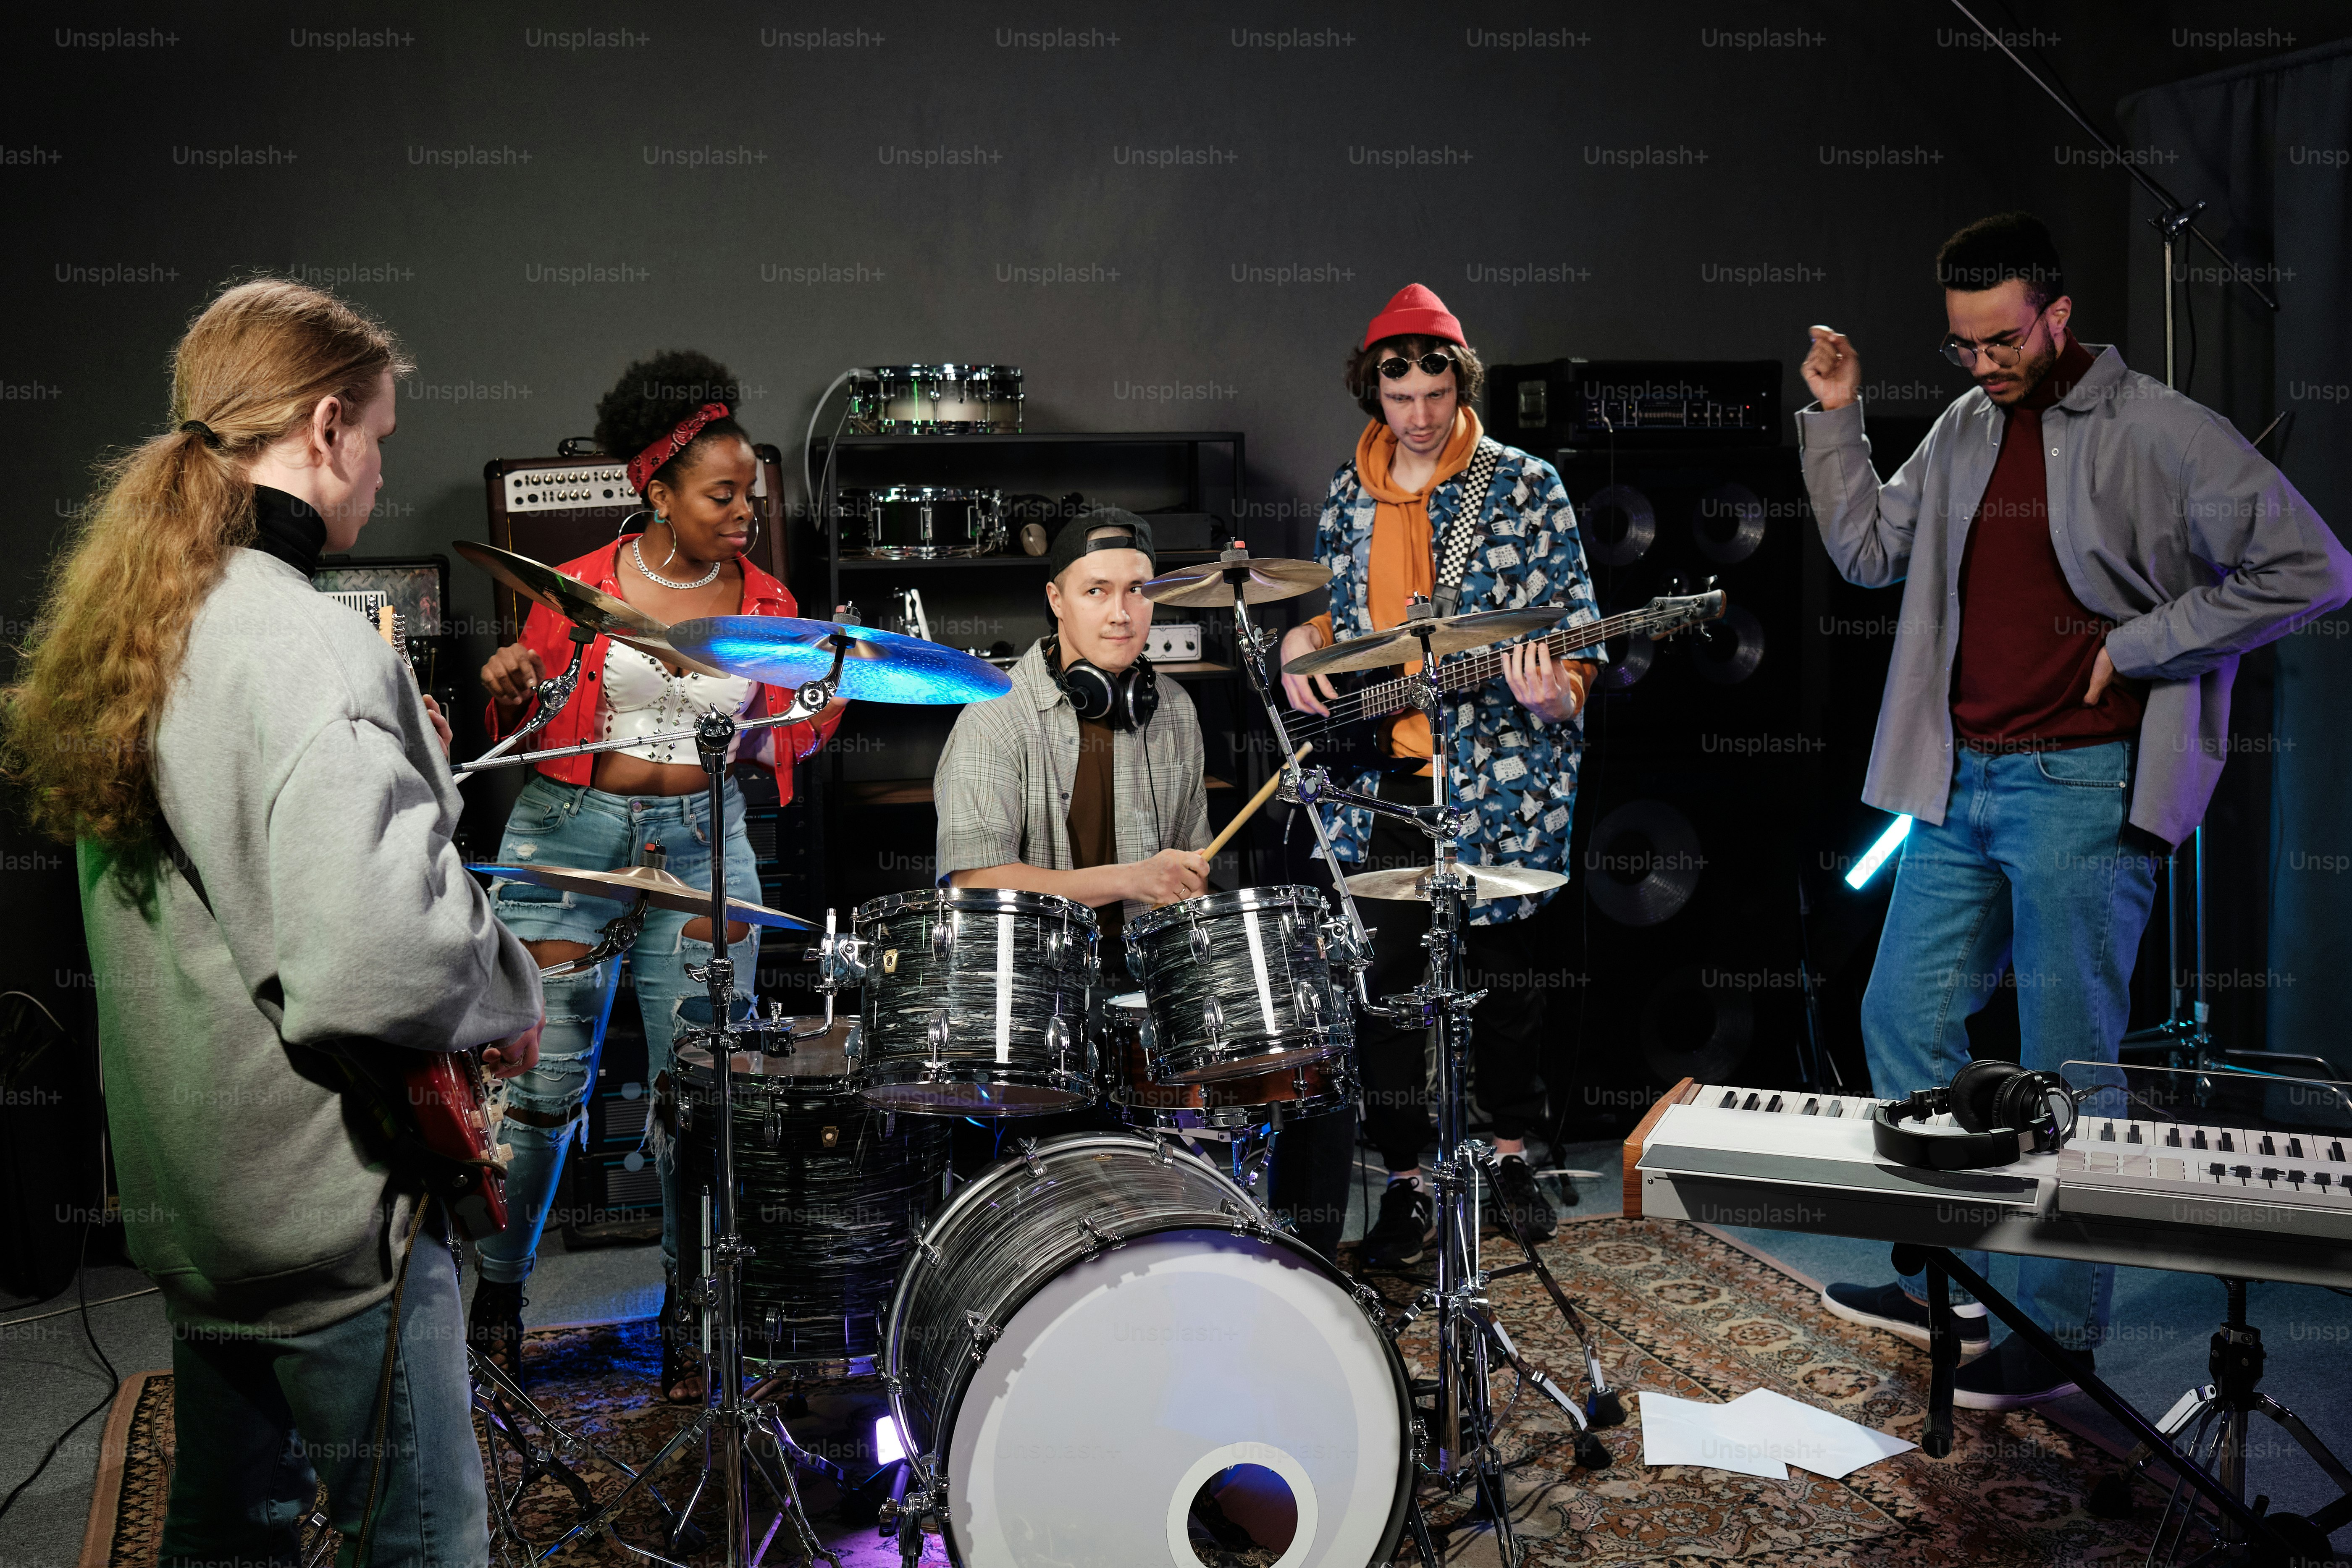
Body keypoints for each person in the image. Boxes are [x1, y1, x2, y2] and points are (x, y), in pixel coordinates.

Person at [3, 279, 545, 1568]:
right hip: (326, 1214)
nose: (375, 475)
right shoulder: (307, 643)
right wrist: (508, 993)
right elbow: (376, 963)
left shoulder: (148, 620)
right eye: (380, 440)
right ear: (324, 425)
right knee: (420, 1539)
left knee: (230, 1529)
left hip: (200, 1197)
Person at [1800, 212, 2351, 1408]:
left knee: (2066, 1069)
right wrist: (1838, 416)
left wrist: (2151, 640)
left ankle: (2058, 1333)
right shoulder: (1960, 427)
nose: (1985, 364)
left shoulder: (2161, 429)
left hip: (2082, 788)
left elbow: (2314, 565)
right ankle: (1958, 1277)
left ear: (2057, 314)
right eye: (1962, 345)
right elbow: (1864, 549)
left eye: (2003, 340)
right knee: (1902, 1019)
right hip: (1959, 785)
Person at [472, 351, 843, 1403]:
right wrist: (509, 686)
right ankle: (499, 1298)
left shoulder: (770, 603)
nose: (743, 516)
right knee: (539, 1089)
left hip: (703, 838)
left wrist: (818, 700)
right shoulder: (576, 589)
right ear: (660, 492)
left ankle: (690, 1314)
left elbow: (797, 736)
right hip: (570, 836)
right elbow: (533, 718)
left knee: (699, 1096)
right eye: (722, 497)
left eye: (751, 498)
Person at [1280, 283, 1604, 1264]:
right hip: (1384, 775)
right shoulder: (1348, 491)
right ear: (1372, 392)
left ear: (1460, 385)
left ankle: (1510, 1153)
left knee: (1502, 980)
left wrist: (1561, 694)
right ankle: (1410, 1182)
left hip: (1495, 772)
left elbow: (1578, 624)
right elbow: (1346, 619)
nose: (1419, 418)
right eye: (1400, 398)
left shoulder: (1524, 484)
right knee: (1380, 986)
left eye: (1435, 396)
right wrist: (1307, 637)